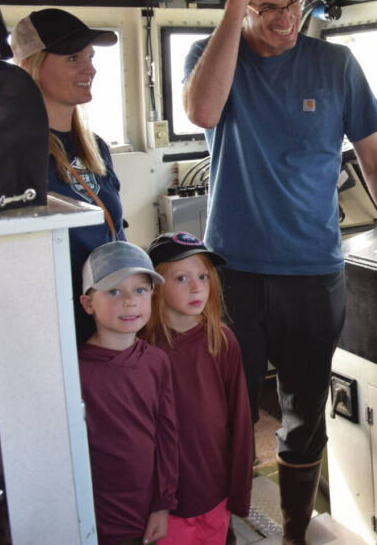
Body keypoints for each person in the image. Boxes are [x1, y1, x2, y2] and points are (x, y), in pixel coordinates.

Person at [182, 0, 377, 543]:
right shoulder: (213, 57)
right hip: (234, 275)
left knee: (305, 416)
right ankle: (222, 530)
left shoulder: (336, 64)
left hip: (313, 274)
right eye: (267, 8)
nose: (286, 19)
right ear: (240, 3)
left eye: (293, 1)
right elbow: (202, 110)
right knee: (228, 417)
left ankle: (293, 534)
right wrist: (235, 5)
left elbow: (376, 161)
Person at [12, 8, 124, 343]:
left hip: (107, 324)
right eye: (73, 58)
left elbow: (115, 234)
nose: (90, 68)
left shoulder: (95, 148)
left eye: (90, 57)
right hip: (54, 325)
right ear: (31, 66)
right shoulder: (15, 152)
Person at [142, 231, 252, 545]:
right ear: (155, 285)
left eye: (203, 276)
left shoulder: (223, 341)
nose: (197, 287)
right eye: (181, 278)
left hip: (216, 493)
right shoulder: (143, 351)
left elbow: (241, 423)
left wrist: (239, 492)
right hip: (166, 506)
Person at [78, 241, 178, 545]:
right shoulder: (75, 372)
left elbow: (167, 435)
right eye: (114, 291)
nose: (130, 302)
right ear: (88, 303)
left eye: (140, 290)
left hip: (146, 513)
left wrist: (162, 504)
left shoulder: (157, 361)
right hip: (98, 519)